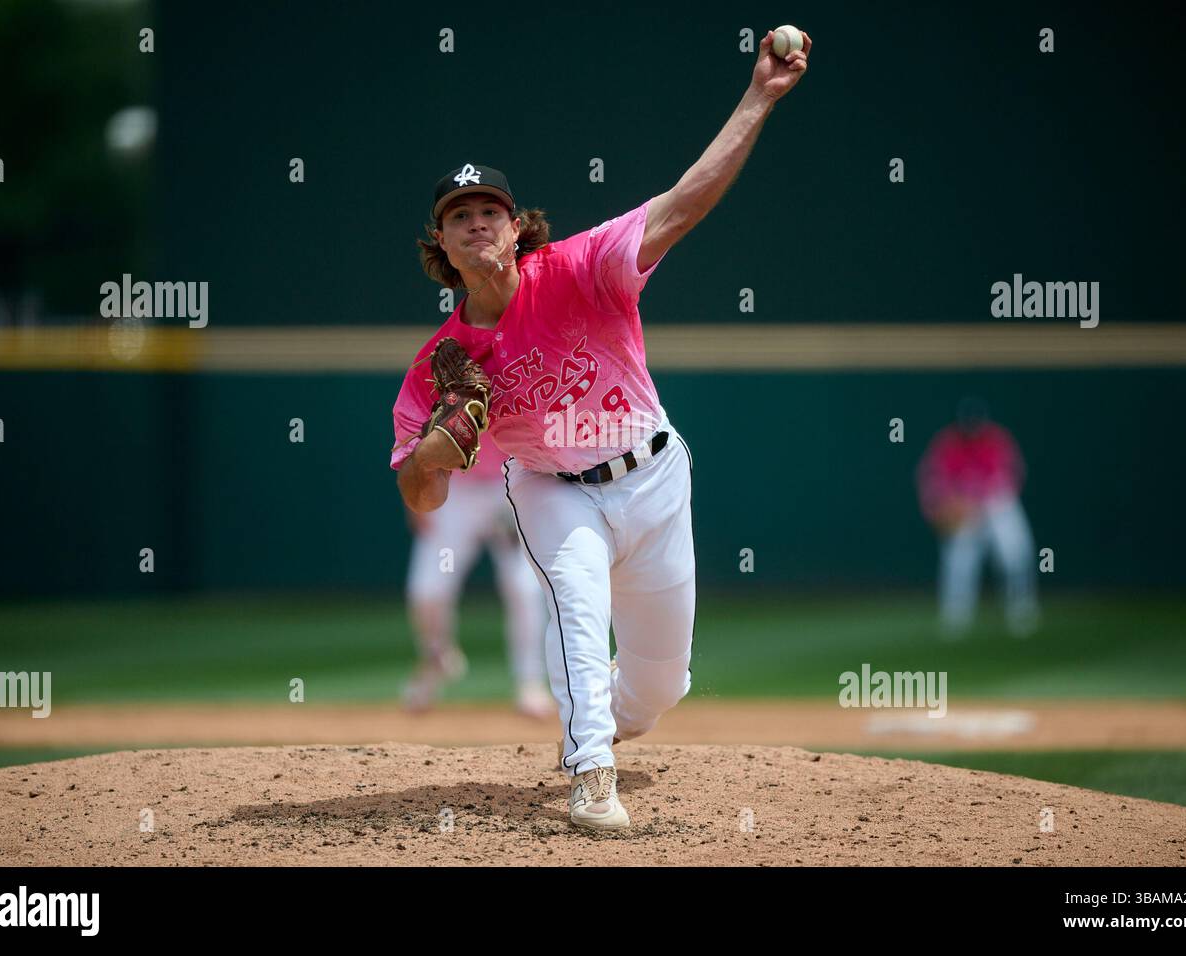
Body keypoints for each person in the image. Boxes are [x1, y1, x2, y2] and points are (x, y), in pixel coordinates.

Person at [390, 31, 811, 830]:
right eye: (459, 216)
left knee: (659, 688)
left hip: (652, 475)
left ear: (517, 228)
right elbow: (420, 491)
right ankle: (591, 771)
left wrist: (760, 96)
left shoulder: (583, 267)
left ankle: (607, 721)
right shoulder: (439, 363)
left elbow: (684, 202)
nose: (477, 222)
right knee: (575, 608)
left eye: (490, 211)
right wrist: (435, 457)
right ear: (440, 246)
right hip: (552, 490)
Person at [400, 430, 551, 719]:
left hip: (511, 484)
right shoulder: (433, 381)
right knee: (428, 591)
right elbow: (414, 426)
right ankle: (437, 659)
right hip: (455, 489)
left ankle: (530, 683)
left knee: (523, 587)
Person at [916, 398, 1040, 637]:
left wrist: (973, 502)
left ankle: (1021, 609)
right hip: (963, 510)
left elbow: (1010, 477)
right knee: (958, 560)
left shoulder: (997, 439)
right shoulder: (947, 443)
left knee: (1014, 554)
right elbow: (931, 480)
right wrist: (940, 508)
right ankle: (956, 615)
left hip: (997, 505)